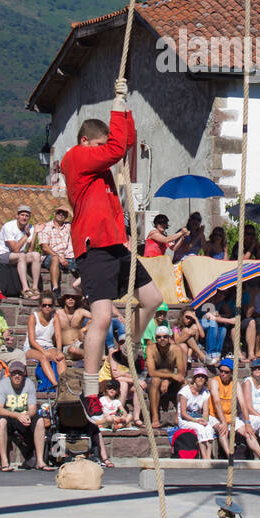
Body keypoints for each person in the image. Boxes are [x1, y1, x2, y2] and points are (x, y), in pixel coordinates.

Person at [61, 93, 162, 419]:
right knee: (102, 317)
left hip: (115, 243)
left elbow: (125, 143)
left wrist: (125, 106)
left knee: (152, 299)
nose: (106, 153)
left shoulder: (99, 165)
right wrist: (115, 112)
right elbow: (117, 149)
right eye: (100, 145)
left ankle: (126, 347)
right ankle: (90, 390)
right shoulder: (75, 158)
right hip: (94, 247)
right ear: (85, 140)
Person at [0, 359, 52, 471]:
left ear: (24, 374)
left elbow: (33, 409)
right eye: (14, 373)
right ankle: (4, 463)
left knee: (39, 420)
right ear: (10, 374)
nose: (17, 376)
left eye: (20, 373)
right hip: (7, 416)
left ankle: (40, 461)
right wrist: (17, 416)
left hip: (23, 416)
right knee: (1, 421)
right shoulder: (3, 384)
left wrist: (26, 415)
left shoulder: (29, 384)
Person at [208, 359, 260, 458]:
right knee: (223, 431)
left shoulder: (236, 384)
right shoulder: (214, 381)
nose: (223, 374)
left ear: (231, 373)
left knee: (249, 433)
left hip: (231, 416)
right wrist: (223, 422)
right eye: (221, 371)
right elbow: (217, 402)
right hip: (216, 416)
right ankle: (231, 457)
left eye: (226, 372)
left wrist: (247, 423)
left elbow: (243, 404)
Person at [0, 205, 41, 298]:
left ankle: (35, 288)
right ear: (17, 216)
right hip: (2, 255)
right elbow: (15, 249)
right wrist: (26, 236)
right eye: (22, 215)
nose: (24, 217)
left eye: (27, 216)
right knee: (21, 256)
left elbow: (30, 250)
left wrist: (35, 233)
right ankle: (25, 289)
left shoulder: (30, 227)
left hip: (19, 256)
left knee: (36, 255)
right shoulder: (8, 226)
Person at [145, 328, 187, 429]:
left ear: (169, 338)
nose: (162, 339)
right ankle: (155, 417)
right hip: (154, 380)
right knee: (156, 380)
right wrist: (171, 375)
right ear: (155, 339)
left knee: (184, 382)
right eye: (159, 337)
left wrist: (168, 380)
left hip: (169, 381)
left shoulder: (176, 349)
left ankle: (178, 414)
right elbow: (151, 372)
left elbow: (181, 373)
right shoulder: (150, 349)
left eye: (165, 336)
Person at [24, 294, 68, 387]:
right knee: (43, 357)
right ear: (40, 306)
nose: (47, 307)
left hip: (49, 346)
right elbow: (32, 340)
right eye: (44, 305)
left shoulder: (55, 316)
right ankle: (55, 384)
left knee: (61, 358)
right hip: (32, 347)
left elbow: (58, 335)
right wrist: (43, 351)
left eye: (50, 305)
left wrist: (59, 351)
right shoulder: (33, 317)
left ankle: (64, 385)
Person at [176, 368, 217, 459]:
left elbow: (206, 411)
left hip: (198, 418)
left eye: (203, 377)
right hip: (186, 420)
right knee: (200, 429)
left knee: (209, 428)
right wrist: (196, 421)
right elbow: (183, 413)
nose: (200, 378)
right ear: (194, 378)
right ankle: (204, 455)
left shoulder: (205, 392)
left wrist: (205, 420)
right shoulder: (185, 391)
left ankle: (208, 455)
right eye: (198, 376)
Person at [37, 205, 75, 296]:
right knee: (55, 259)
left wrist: (69, 210)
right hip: (51, 257)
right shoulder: (46, 227)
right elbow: (45, 247)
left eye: (64, 213)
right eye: (59, 212)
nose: (61, 214)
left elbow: (81, 223)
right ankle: (55, 288)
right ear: (54, 214)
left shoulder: (68, 226)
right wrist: (60, 258)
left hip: (69, 257)